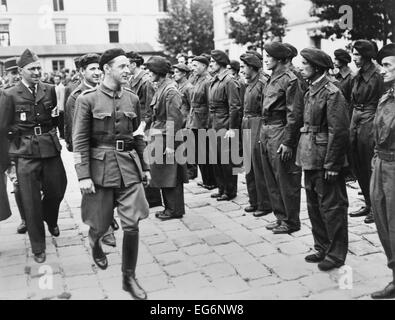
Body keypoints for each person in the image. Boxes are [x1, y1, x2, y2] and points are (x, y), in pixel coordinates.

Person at [73, 48, 149, 300]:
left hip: (129, 166)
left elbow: (137, 135)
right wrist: (83, 175)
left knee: (132, 222)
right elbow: (80, 141)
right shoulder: (87, 99)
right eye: (123, 66)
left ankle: (129, 277)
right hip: (99, 168)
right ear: (107, 69)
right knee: (100, 222)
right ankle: (95, 242)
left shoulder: (132, 98)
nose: (128, 70)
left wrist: (145, 166)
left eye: (129, 66)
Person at [0, 49, 67, 264]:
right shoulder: (10, 94)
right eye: (32, 69)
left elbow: (56, 119)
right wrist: (10, 158)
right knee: (30, 201)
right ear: (21, 72)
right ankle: (38, 246)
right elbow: (3, 126)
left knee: (57, 188)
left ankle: (50, 216)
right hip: (25, 152)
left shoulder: (49, 90)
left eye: (39, 68)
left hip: (49, 147)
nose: (37, 72)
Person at [298, 48, 350, 271]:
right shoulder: (311, 90)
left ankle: (336, 254)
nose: (301, 67)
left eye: (304, 64)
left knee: (332, 207)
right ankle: (322, 246)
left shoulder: (332, 92)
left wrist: (332, 164)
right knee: (313, 205)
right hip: (310, 156)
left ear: (317, 67)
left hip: (324, 158)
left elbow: (338, 131)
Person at [259, 42, 303, 234]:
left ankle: (291, 221)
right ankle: (280, 217)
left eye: (268, 57)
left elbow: (294, 115)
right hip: (267, 129)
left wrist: (288, 142)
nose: (265, 60)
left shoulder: (290, 80)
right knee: (271, 178)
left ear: (279, 59)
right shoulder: (271, 78)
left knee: (286, 179)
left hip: (280, 130)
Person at [145, 56, 188, 221]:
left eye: (151, 70)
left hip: (168, 137)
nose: (149, 73)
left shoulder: (170, 90)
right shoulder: (162, 87)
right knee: (164, 174)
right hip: (160, 135)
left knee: (172, 175)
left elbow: (174, 119)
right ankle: (169, 207)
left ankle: (174, 209)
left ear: (158, 72)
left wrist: (170, 145)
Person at [349, 40, 385, 224]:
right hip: (356, 120)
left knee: (369, 164)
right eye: (353, 54)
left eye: (357, 54)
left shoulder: (378, 75)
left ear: (366, 55)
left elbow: (383, 102)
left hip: (370, 120)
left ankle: (376, 208)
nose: (354, 58)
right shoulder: (357, 75)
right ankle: (368, 203)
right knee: (358, 164)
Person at [370, 44, 395, 299]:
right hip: (381, 164)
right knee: (383, 222)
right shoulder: (387, 96)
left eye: (387, 65)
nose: (381, 71)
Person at [127, 51, 163, 209]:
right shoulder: (132, 79)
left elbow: (149, 108)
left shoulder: (145, 82)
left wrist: (142, 126)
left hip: (144, 127)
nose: (124, 68)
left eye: (126, 64)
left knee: (147, 161)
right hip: (135, 125)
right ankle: (145, 197)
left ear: (133, 65)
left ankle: (154, 200)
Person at [239, 53, 272, 218]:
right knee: (249, 166)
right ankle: (254, 200)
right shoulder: (250, 83)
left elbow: (266, 109)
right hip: (247, 123)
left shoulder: (262, 83)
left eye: (244, 67)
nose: (242, 70)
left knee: (258, 166)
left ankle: (265, 203)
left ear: (252, 67)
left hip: (257, 124)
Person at [208, 50, 242, 202]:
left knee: (226, 160)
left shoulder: (229, 81)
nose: (211, 65)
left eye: (213, 62)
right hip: (214, 123)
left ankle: (230, 190)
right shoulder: (215, 80)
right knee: (216, 159)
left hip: (224, 124)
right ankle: (221, 188)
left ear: (221, 64)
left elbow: (235, 107)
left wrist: (232, 129)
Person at [2, 57, 27, 234]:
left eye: (18, 72)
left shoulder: (27, 93)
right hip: (8, 149)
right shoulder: (4, 95)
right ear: (5, 75)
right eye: (12, 73)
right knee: (16, 186)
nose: (16, 76)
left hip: (25, 146)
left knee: (25, 185)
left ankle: (30, 216)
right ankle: (25, 218)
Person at [187, 56, 217, 190]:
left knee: (204, 153)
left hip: (203, 121)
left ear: (204, 66)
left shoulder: (207, 81)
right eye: (192, 65)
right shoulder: (197, 79)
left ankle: (210, 181)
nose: (193, 68)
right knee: (199, 153)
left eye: (195, 65)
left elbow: (210, 104)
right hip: (195, 119)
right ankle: (206, 179)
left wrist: (208, 124)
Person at [173, 63, 197, 180]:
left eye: (177, 72)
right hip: (180, 119)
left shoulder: (189, 87)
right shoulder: (178, 86)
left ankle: (192, 171)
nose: (174, 74)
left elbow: (193, 106)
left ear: (183, 74)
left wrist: (189, 122)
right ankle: (187, 170)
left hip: (187, 120)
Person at [333, 49, 355, 114]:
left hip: (346, 113)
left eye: (336, 59)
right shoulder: (337, 76)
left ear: (343, 60)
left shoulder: (351, 77)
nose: (334, 62)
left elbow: (352, 101)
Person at [54, 74, 66, 139]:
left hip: (60, 108)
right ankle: (61, 134)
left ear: (60, 80)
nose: (56, 81)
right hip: (57, 107)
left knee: (61, 123)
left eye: (57, 79)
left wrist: (61, 108)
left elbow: (62, 98)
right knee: (58, 122)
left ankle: (62, 135)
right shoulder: (57, 86)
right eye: (55, 79)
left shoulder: (61, 87)